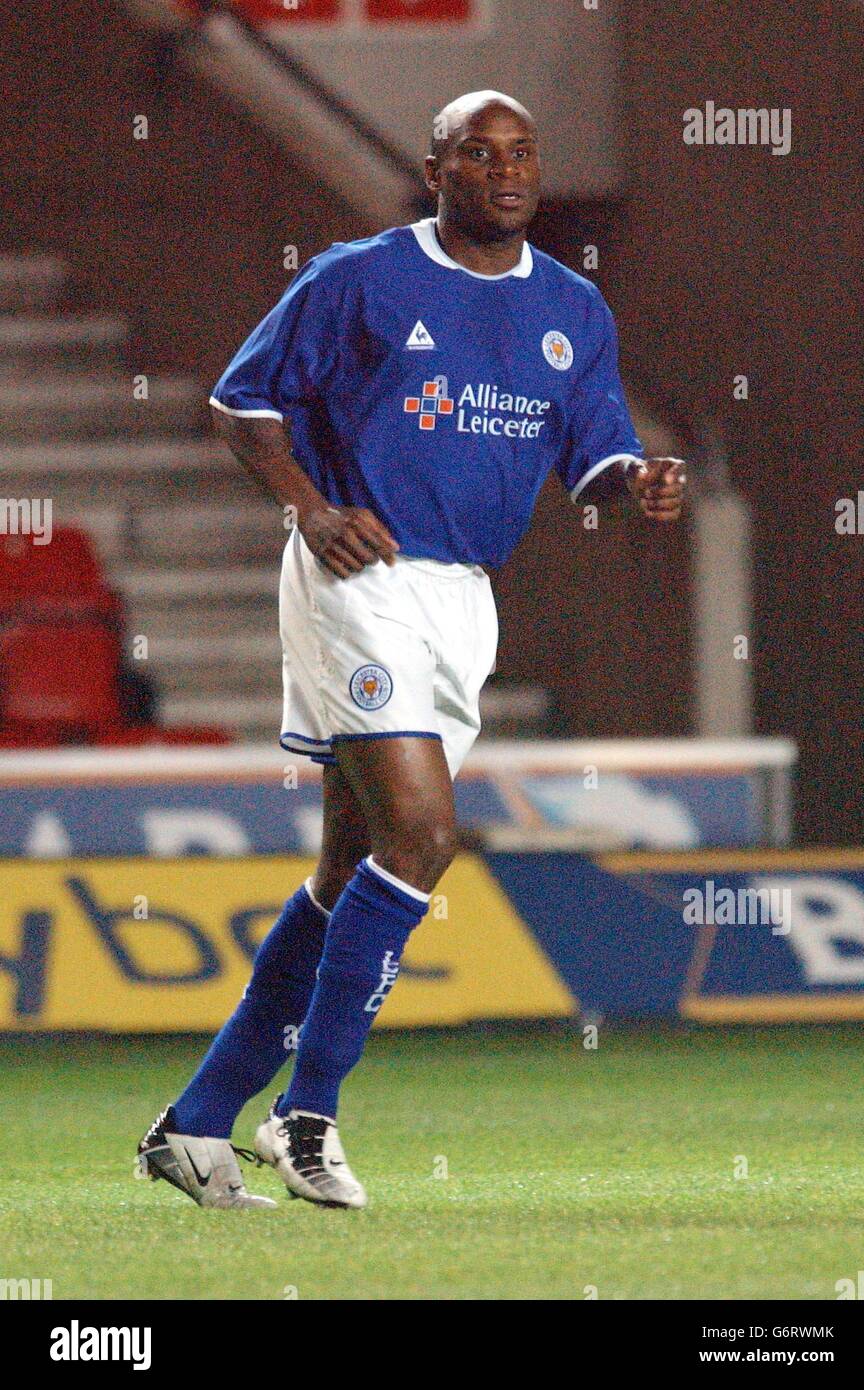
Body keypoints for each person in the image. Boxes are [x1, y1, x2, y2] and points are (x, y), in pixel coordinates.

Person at [137, 90, 686, 1211]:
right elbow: (242, 406)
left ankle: (194, 1121)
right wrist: (309, 508)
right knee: (426, 833)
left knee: (351, 871)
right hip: (356, 574)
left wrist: (638, 482)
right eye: (477, 154)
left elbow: (594, 454)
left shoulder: (574, 309)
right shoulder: (359, 276)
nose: (506, 170)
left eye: (522, 153)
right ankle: (309, 1116)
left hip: (461, 598)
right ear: (434, 169)